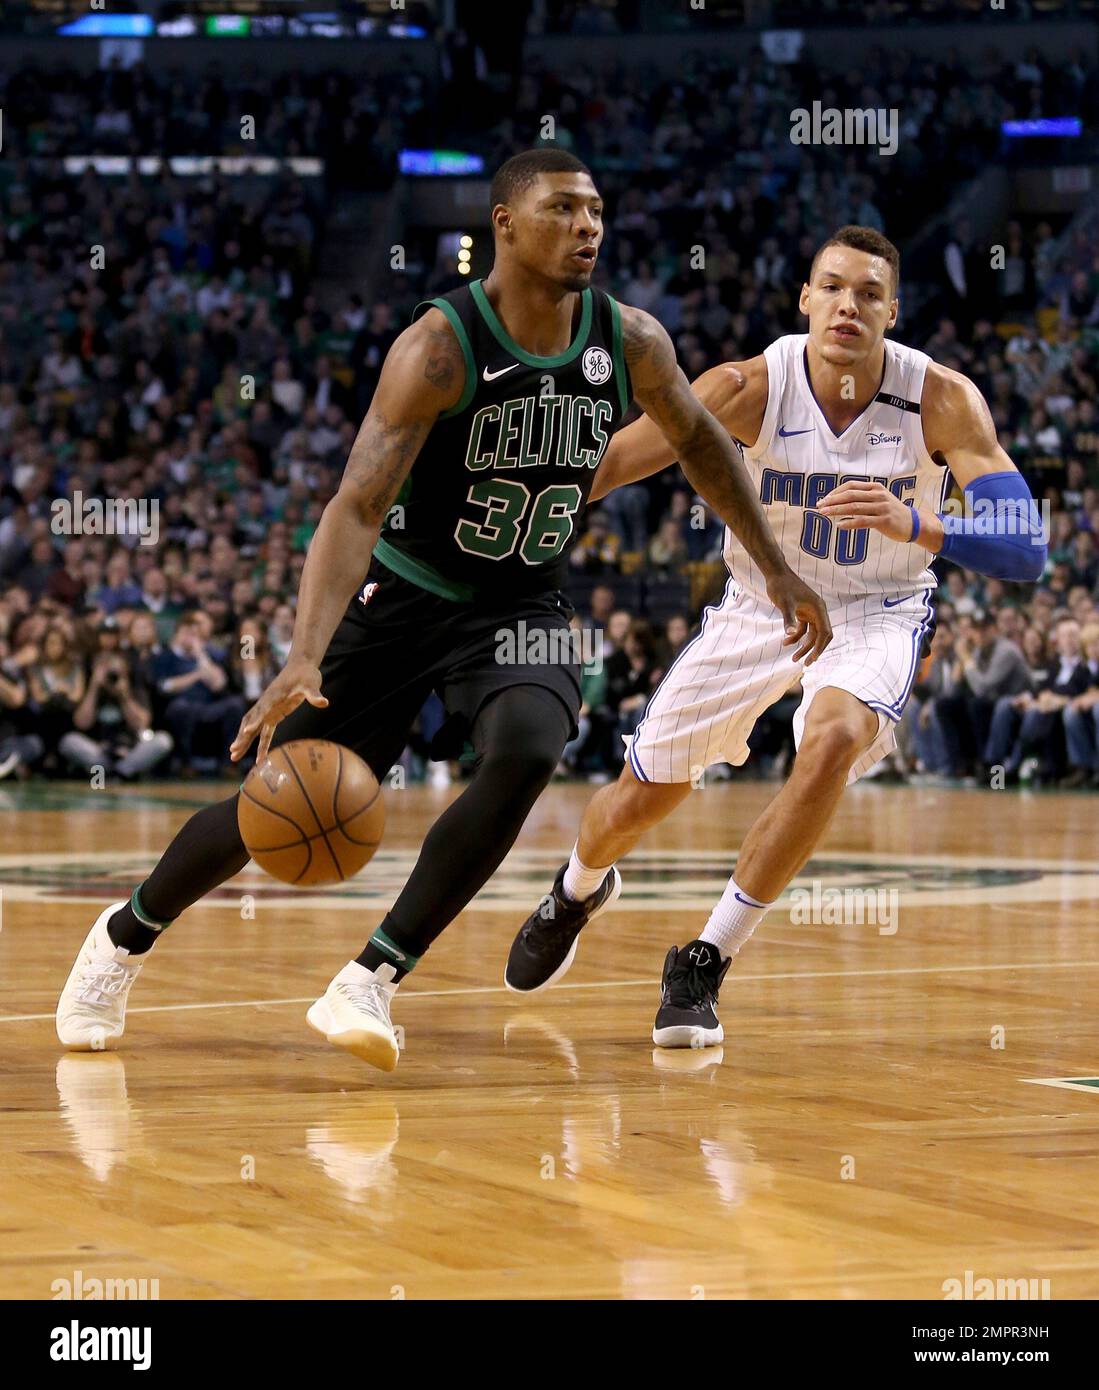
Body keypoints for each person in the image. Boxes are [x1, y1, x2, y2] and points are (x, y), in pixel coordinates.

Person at [56, 148, 829, 1069]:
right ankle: (124, 937)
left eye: (594, 210)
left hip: (520, 606)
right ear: (504, 224)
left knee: (529, 750)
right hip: (403, 598)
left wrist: (777, 570)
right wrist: (304, 655)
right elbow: (354, 507)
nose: (587, 225)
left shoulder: (629, 341)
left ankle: (371, 977)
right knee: (276, 804)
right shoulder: (438, 347)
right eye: (561, 209)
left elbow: (701, 444)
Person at [506, 224, 1047, 1048]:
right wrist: (503, 515)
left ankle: (705, 958)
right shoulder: (747, 387)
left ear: (892, 311)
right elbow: (608, 466)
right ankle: (576, 889)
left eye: (868, 293)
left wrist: (916, 524)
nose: (847, 305)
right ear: (804, 299)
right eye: (831, 287)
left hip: (877, 608)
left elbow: (1026, 546)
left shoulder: (940, 398)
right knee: (638, 800)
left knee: (830, 740)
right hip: (763, 604)